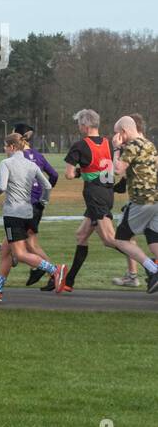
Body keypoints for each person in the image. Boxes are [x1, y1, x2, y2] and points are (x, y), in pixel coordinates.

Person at [0, 133, 66, 302]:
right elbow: (47, 185)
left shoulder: (6, 163)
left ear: (12, 147)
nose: (4, 149)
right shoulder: (31, 165)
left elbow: (1, 186)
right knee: (5, 252)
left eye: (5, 146)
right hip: (28, 213)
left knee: (20, 253)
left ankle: (55, 270)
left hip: (13, 214)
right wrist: (43, 202)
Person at [61, 108, 119, 290]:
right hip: (108, 193)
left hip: (95, 196)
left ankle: (150, 264)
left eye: (79, 124)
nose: (79, 127)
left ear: (85, 126)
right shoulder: (109, 143)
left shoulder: (80, 145)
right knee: (81, 235)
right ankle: (69, 281)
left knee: (110, 239)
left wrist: (79, 171)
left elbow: (69, 175)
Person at [107, 115, 158, 293]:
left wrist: (116, 148)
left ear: (123, 132)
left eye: (117, 133)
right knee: (154, 240)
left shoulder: (133, 145)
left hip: (141, 200)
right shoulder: (149, 144)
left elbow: (118, 170)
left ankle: (153, 271)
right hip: (156, 198)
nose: (116, 136)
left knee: (121, 239)